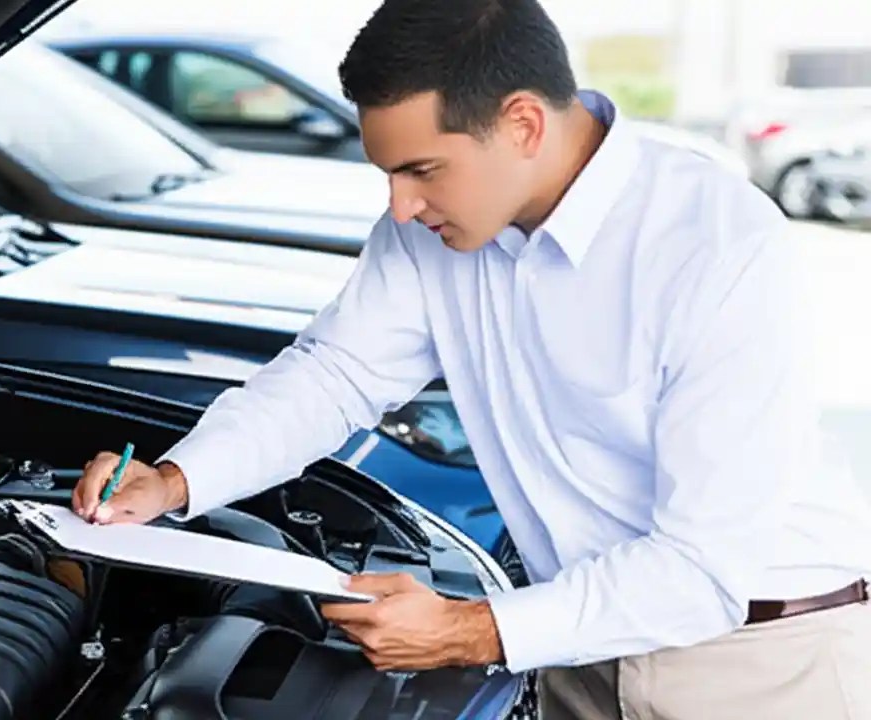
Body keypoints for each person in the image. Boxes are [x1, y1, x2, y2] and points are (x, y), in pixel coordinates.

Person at [71, 0, 871, 717]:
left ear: (523, 123)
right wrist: (177, 479)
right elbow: (336, 374)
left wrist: (471, 630)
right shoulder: (431, 232)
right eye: (388, 173)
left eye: (422, 170)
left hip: (761, 664)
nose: (401, 205)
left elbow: (703, 568)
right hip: (576, 645)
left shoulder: (715, 244)